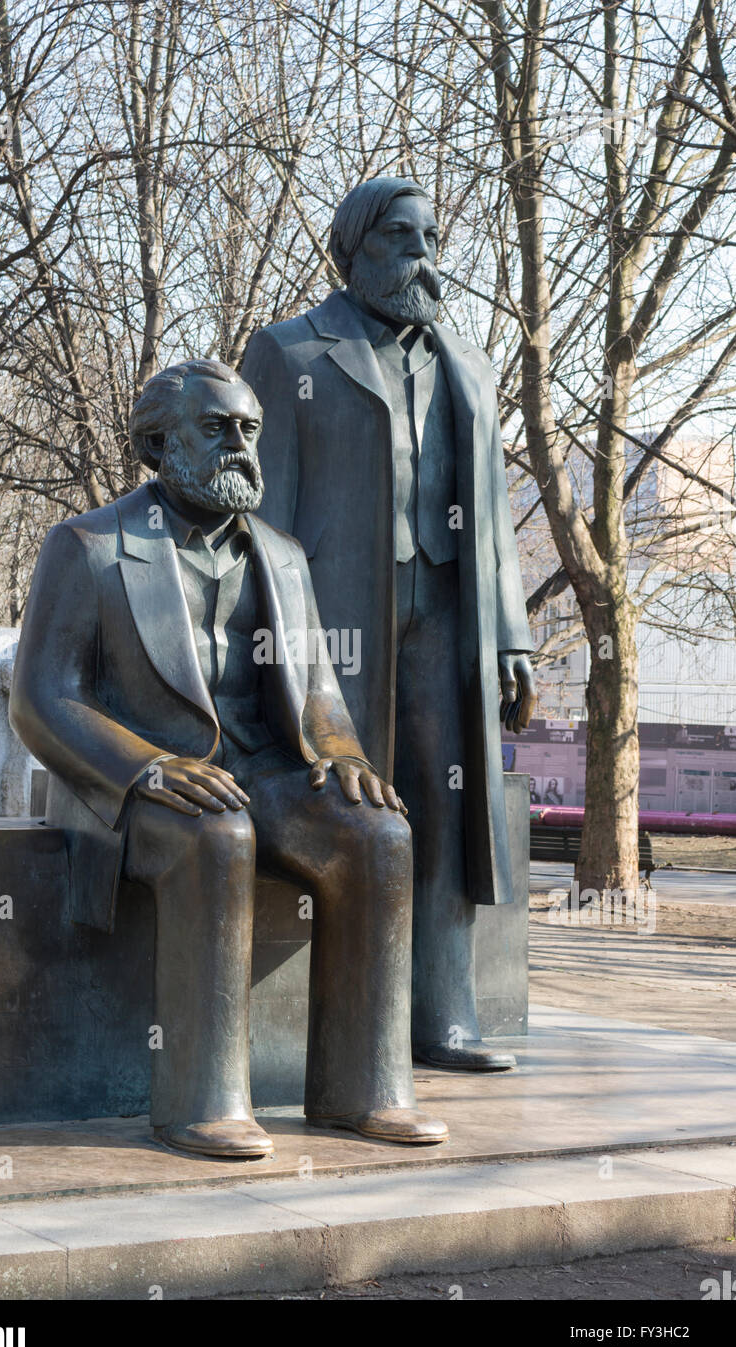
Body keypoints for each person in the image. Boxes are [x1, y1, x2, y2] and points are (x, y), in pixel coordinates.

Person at [10, 358, 447, 1159]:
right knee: (220, 833)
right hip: (130, 784)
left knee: (378, 835)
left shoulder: (281, 555)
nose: (240, 445)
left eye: (249, 430)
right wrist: (145, 766)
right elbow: (44, 699)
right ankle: (201, 1102)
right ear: (157, 442)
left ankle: (363, 1090)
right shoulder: (88, 546)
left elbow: (318, 691)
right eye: (217, 428)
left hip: (267, 775)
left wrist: (344, 754)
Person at [242, 177, 536, 1072]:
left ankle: (443, 1016)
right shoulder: (290, 351)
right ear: (353, 247)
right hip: (337, 618)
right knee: (352, 806)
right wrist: (263, 639)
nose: (424, 256)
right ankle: (344, 1027)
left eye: (431, 237)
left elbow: (488, 518)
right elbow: (262, 510)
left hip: (447, 617)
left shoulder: (466, 364)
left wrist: (512, 634)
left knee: (448, 810)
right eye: (403, 237)